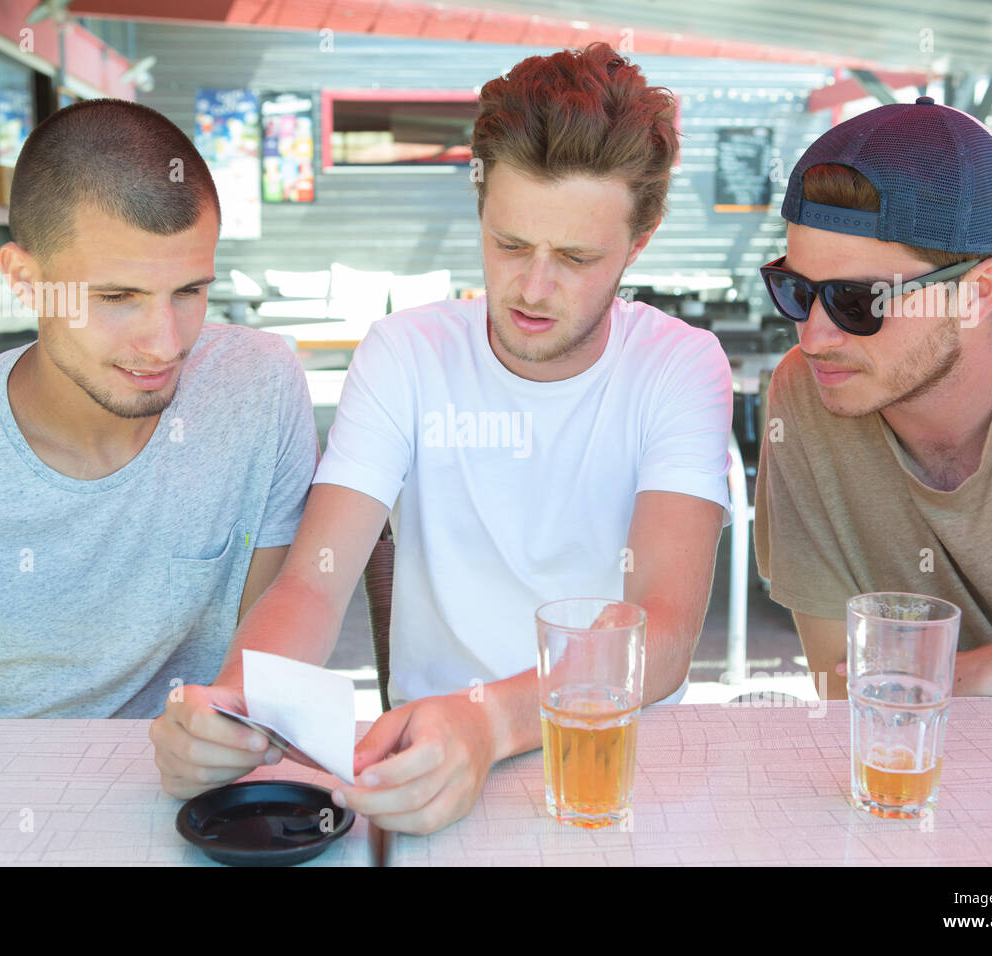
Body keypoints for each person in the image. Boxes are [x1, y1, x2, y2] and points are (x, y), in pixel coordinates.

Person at [151, 43, 734, 833]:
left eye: (575, 257)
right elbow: (314, 582)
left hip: (604, 766)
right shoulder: (405, 352)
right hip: (421, 766)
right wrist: (235, 704)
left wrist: (489, 720)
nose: (531, 287)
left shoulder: (680, 366)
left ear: (642, 238)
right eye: (509, 243)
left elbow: (660, 632)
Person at [0, 100, 318, 719]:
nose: (166, 344)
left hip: (208, 795)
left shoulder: (261, 384)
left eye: (190, 291)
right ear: (25, 279)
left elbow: (266, 661)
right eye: (117, 296)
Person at [754, 96, 992, 717]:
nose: (814, 336)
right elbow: (846, 689)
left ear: (978, 292)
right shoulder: (807, 394)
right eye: (795, 290)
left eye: (858, 301)